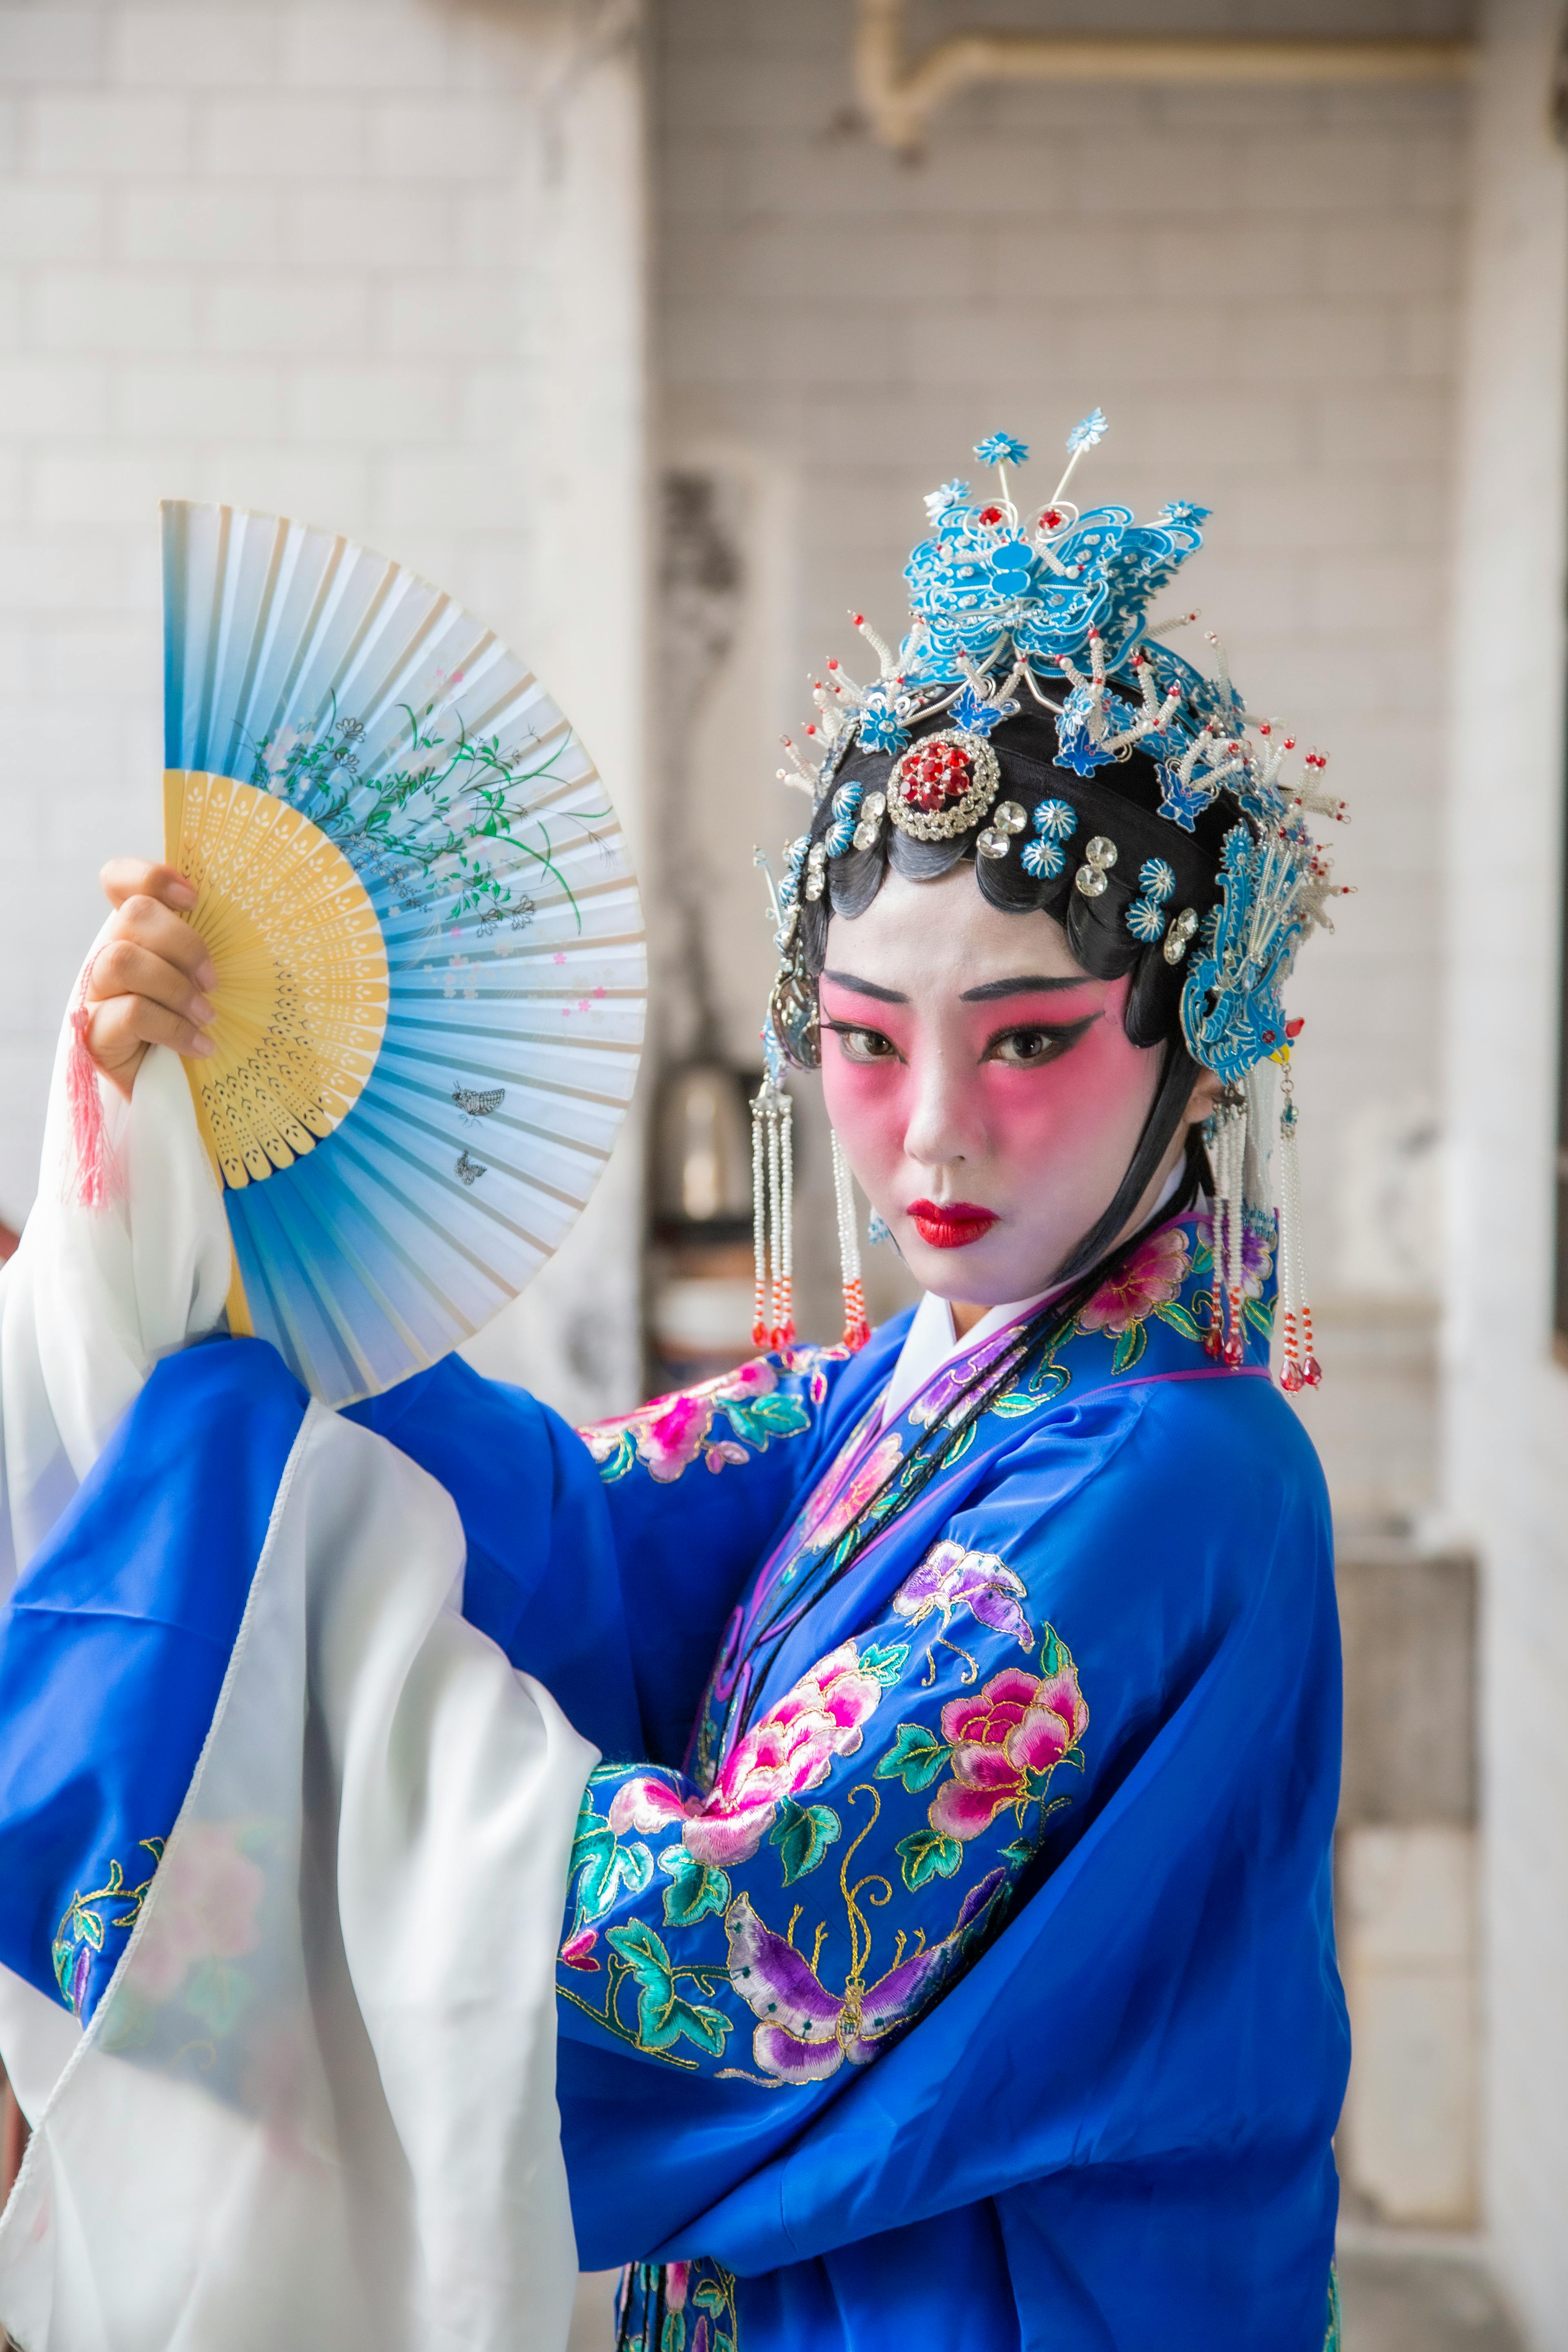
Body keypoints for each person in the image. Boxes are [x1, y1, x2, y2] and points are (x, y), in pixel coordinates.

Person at [0, 420, 1348, 2352]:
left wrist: (318, 1621)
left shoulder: (1174, 1474)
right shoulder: (905, 1388)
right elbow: (566, 1535)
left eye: (1031, 1038)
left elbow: (745, 1942)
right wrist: (212, 1227)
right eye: (872, 1046)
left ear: (1207, 1046)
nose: (935, 1140)